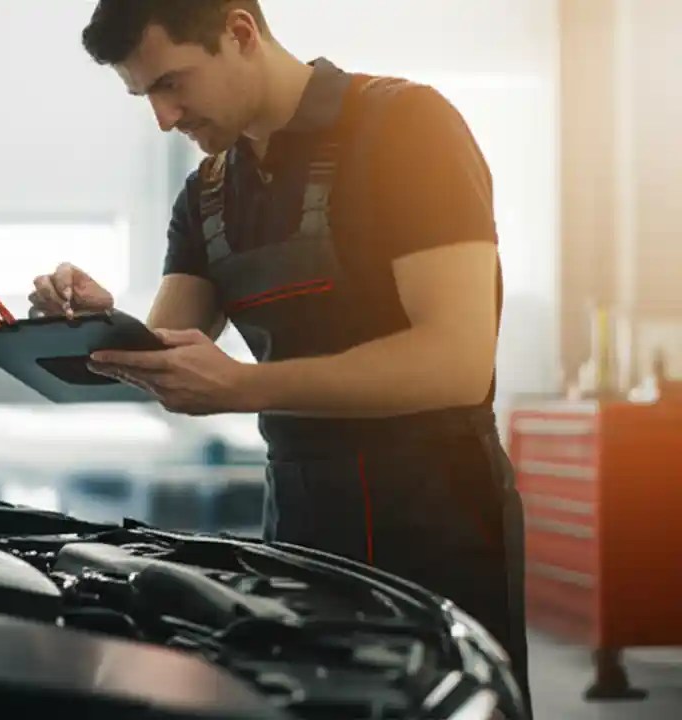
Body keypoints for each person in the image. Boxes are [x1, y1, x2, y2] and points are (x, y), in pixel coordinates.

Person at [28, 0, 531, 712]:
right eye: (146, 98)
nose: (165, 119)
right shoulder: (206, 192)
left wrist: (244, 386)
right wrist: (93, 319)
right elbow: (162, 350)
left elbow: (456, 362)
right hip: (296, 524)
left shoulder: (408, 129)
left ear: (240, 32)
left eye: (173, 84)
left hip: (436, 516)